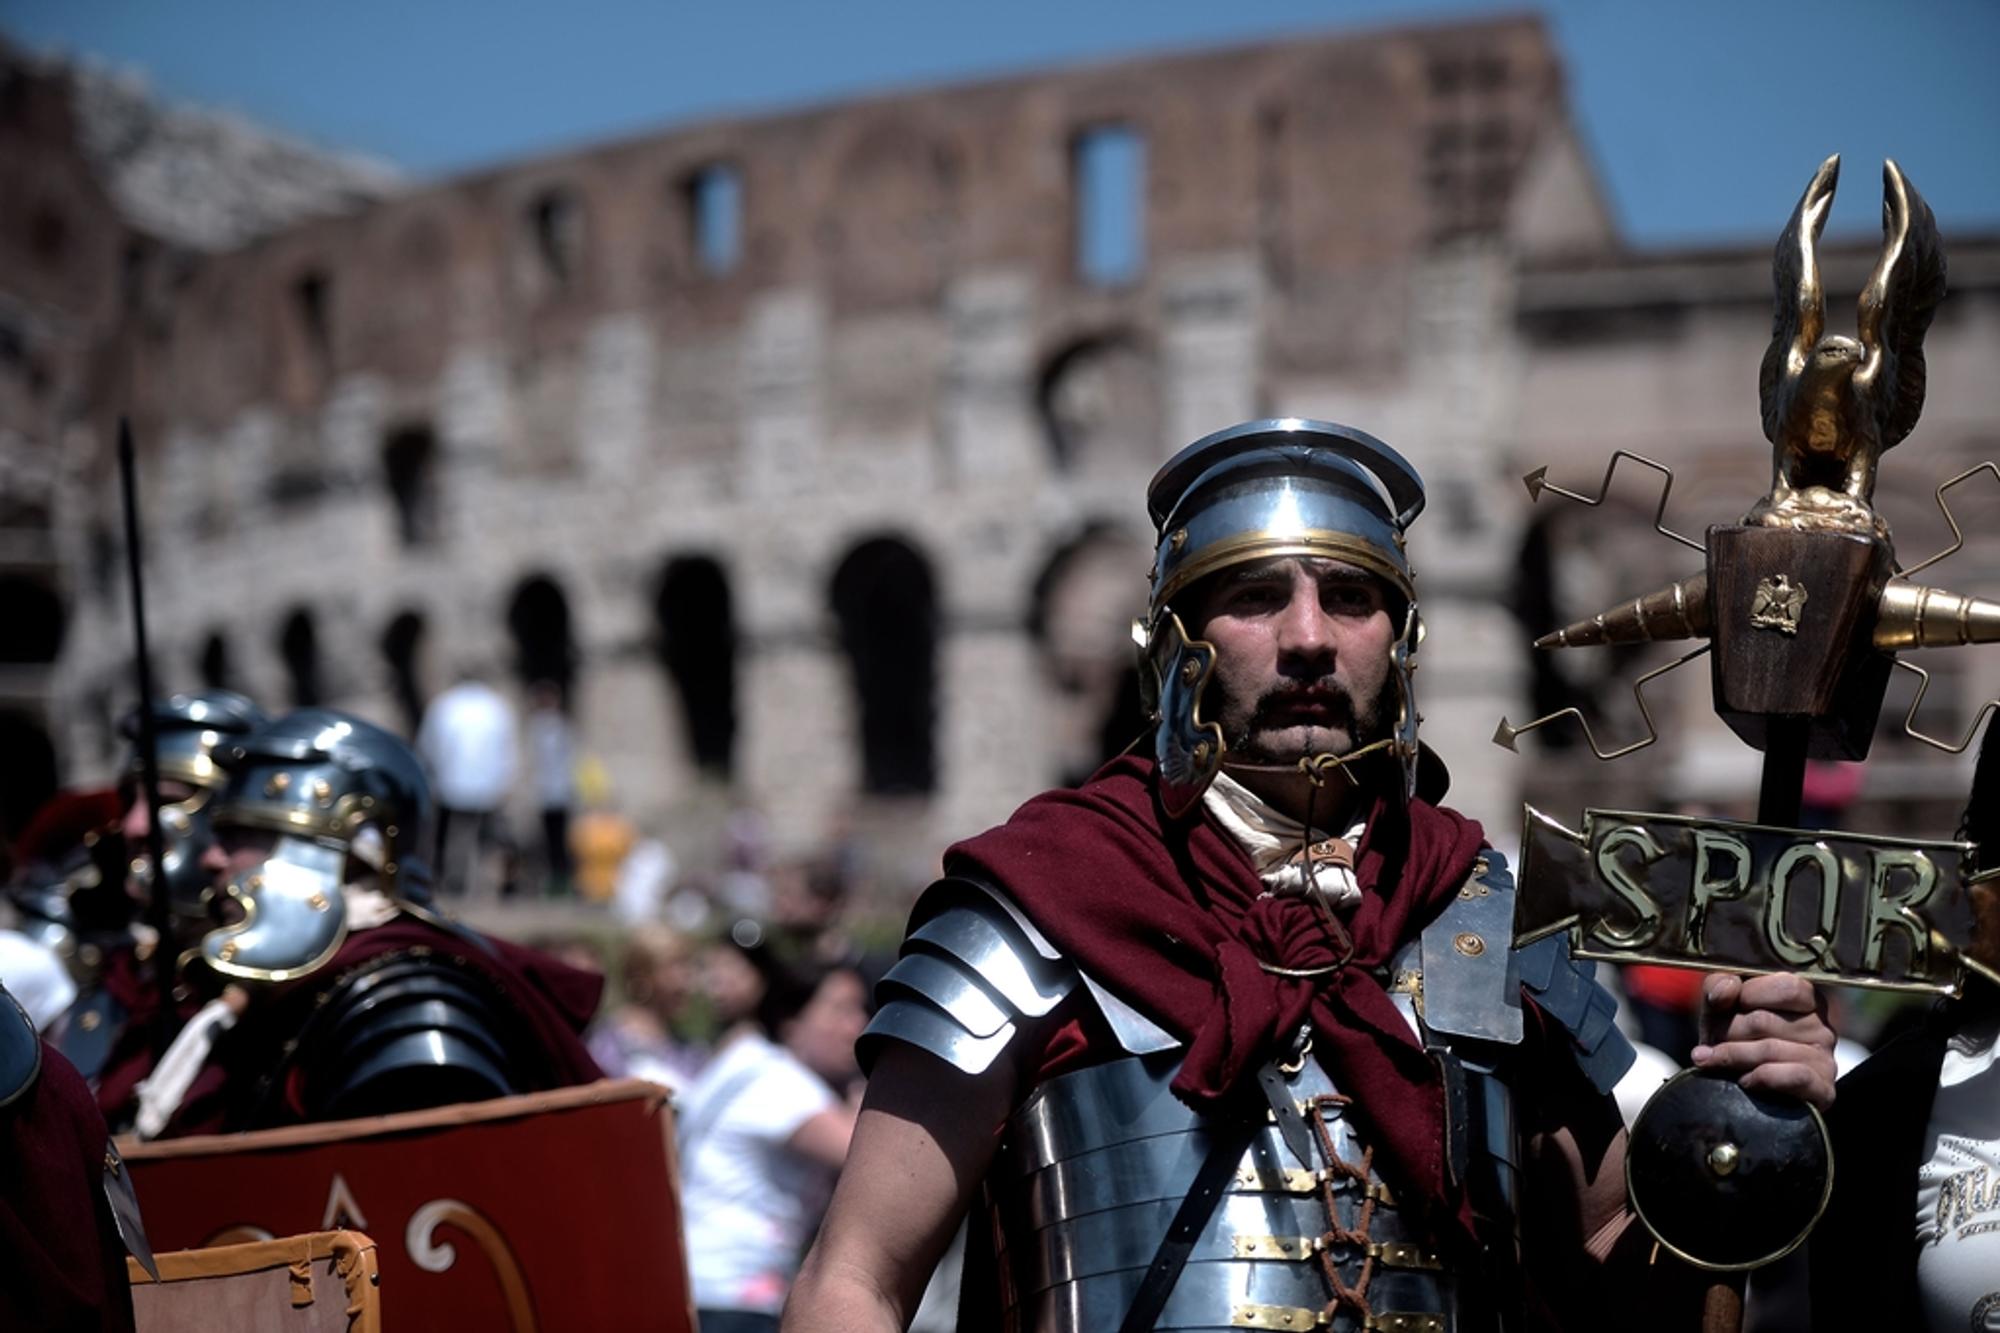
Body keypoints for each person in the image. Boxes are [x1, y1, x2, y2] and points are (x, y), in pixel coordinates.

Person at [784, 418, 1839, 1333]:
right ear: (1176, 648)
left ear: (1401, 640)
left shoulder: (1480, 913)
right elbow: (854, 1280)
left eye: (1349, 597)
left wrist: (1733, 1133)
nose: (1307, 637)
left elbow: (1622, 1280)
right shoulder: (1044, 901)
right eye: (1254, 597)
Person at [132, 707, 602, 1138]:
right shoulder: (299, 989)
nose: (213, 858)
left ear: (349, 850)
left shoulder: (405, 1002)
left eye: (241, 836)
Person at [680, 952, 869, 1333]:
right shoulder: (779, 1081)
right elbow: (875, 1158)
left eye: (861, 1010)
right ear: (791, 1023)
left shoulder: (749, 1062)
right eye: (840, 1010)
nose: (858, 1026)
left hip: (709, 1290)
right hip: (729, 1298)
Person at [417, 669, 518, 897]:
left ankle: (456, 882)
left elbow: (428, 745)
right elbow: (508, 747)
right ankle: (489, 885)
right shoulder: (496, 705)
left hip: (453, 783)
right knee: (489, 836)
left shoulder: (444, 704)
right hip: (489, 784)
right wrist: (506, 778)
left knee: (457, 836)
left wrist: (435, 775)